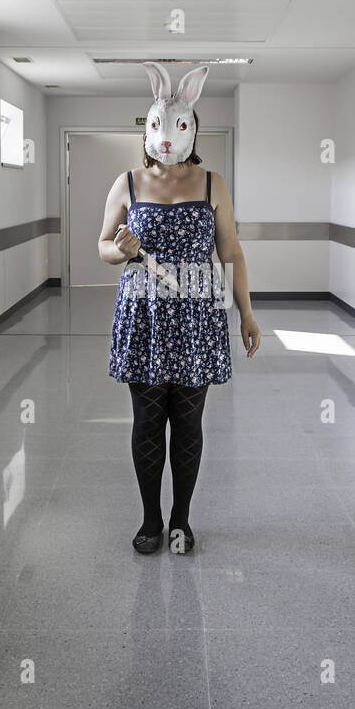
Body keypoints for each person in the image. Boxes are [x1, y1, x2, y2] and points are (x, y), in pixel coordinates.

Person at [97, 63, 260, 555]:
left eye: (176, 127)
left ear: (191, 129)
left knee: (188, 422)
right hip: (144, 315)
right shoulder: (127, 183)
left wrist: (246, 314)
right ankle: (150, 520)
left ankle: (181, 521)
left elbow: (230, 252)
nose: (164, 138)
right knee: (148, 421)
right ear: (147, 130)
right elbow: (103, 245)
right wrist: (121, 250)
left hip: (197, 316)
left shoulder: (213, 185)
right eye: (155, 128)